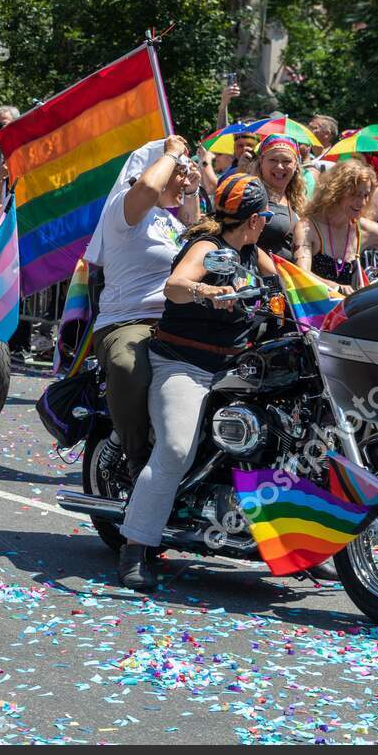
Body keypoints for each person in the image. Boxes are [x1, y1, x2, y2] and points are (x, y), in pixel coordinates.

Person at [117, 174, 274, 591]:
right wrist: (207, 291)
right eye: (266, 216)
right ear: (255, 219)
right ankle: (135, 547)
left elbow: (292, 285)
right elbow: (175, 287)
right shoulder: (209, 248)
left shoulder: (253, 253)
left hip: (236, 370)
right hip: (185, 363)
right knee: (175, 449)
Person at [86, 137, 201, 482]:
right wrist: (170, 154)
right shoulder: (125, 211)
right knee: (128, 364)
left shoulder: (171, 223)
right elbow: (148, 186)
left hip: (176, 322)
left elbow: (200, 241)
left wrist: (192, 190)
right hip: (128, 322)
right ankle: (135, 457)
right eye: (178, 173)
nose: (184, 178)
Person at [295, 160, 378, 292]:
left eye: (366, 195)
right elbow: (301, 274)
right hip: (316, 308)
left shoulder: (362, 227)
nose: (362, 202)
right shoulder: (307, 227)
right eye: (355, 194)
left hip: (350, 310)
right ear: (336, 191)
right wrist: (335, 287)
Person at [247, 134, 304, 258]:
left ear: (295, 165)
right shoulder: (251, 195)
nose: (279, 166)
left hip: (290, 275)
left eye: (287, 161)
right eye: (273, 160)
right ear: (261, 162)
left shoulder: (296, 199)